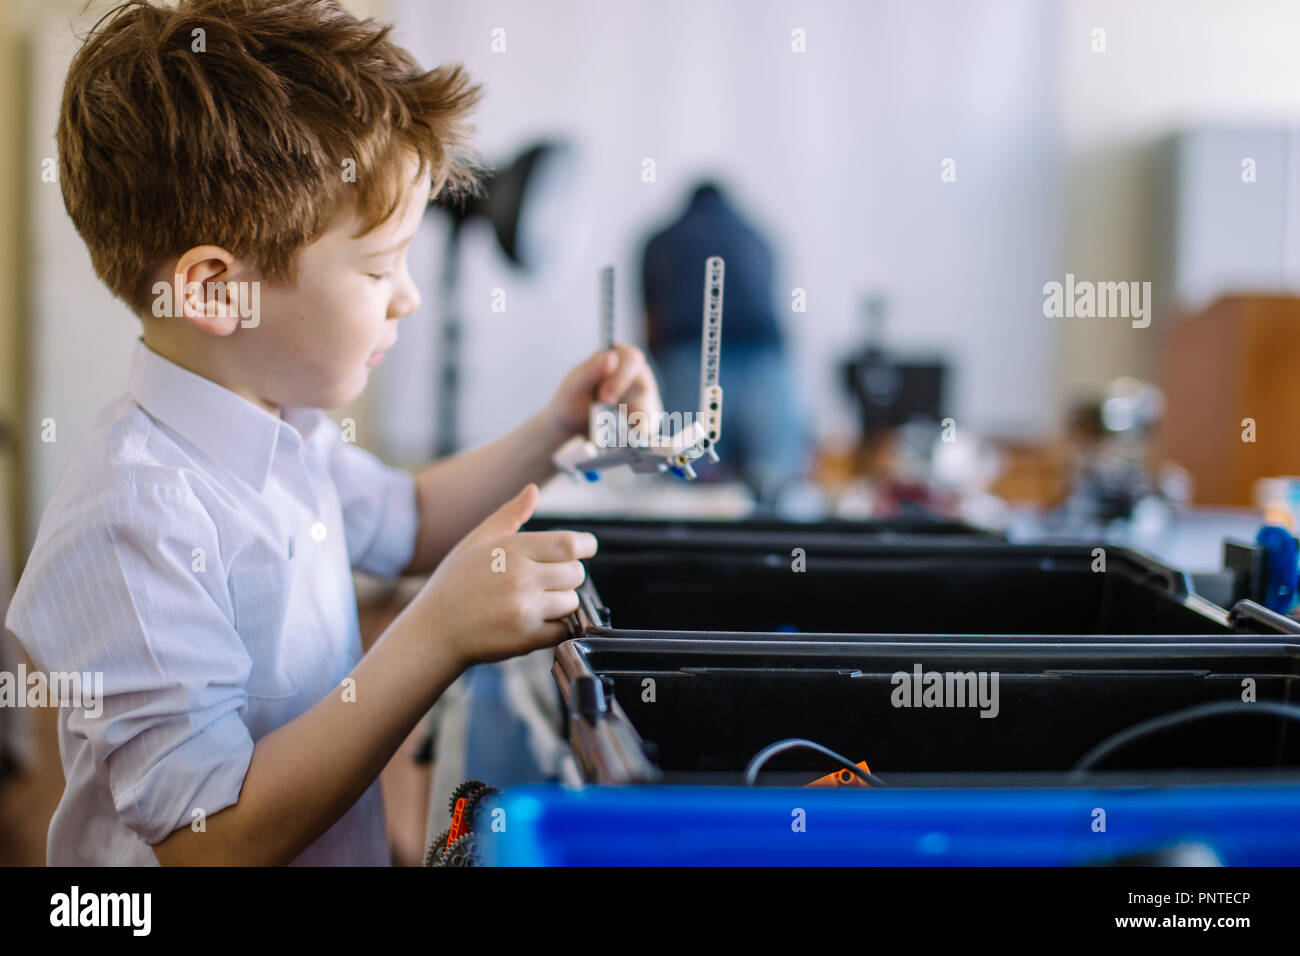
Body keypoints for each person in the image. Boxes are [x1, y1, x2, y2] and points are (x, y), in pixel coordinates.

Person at [3, 0, 662, 866]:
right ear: (214, 291)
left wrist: (558, 429)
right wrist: (432, 637)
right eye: (380, 266)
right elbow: (211, 844)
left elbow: (411, 517)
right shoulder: (134, 518)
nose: (408, 296)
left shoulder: (285, 432)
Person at [641, 182, 812, 504]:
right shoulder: (759, 236)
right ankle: (784, 554)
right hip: (765, 366)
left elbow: (650, 318)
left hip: (691, 360)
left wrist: (656, 379)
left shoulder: (661, 240)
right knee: (776, 487)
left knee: (685, 487)